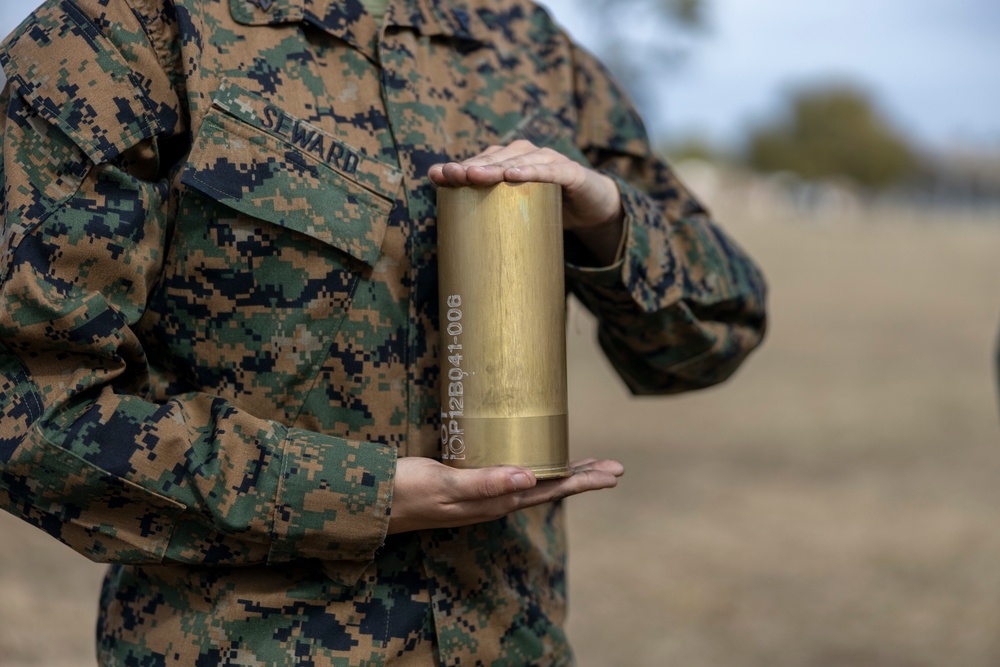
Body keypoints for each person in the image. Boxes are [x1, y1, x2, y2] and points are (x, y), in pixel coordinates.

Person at [0, 0, 767, 664]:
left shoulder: (527, 44)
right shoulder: (123, 32)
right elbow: (29, 411)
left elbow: (717, 330)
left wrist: (608, 221)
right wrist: (358, 494)